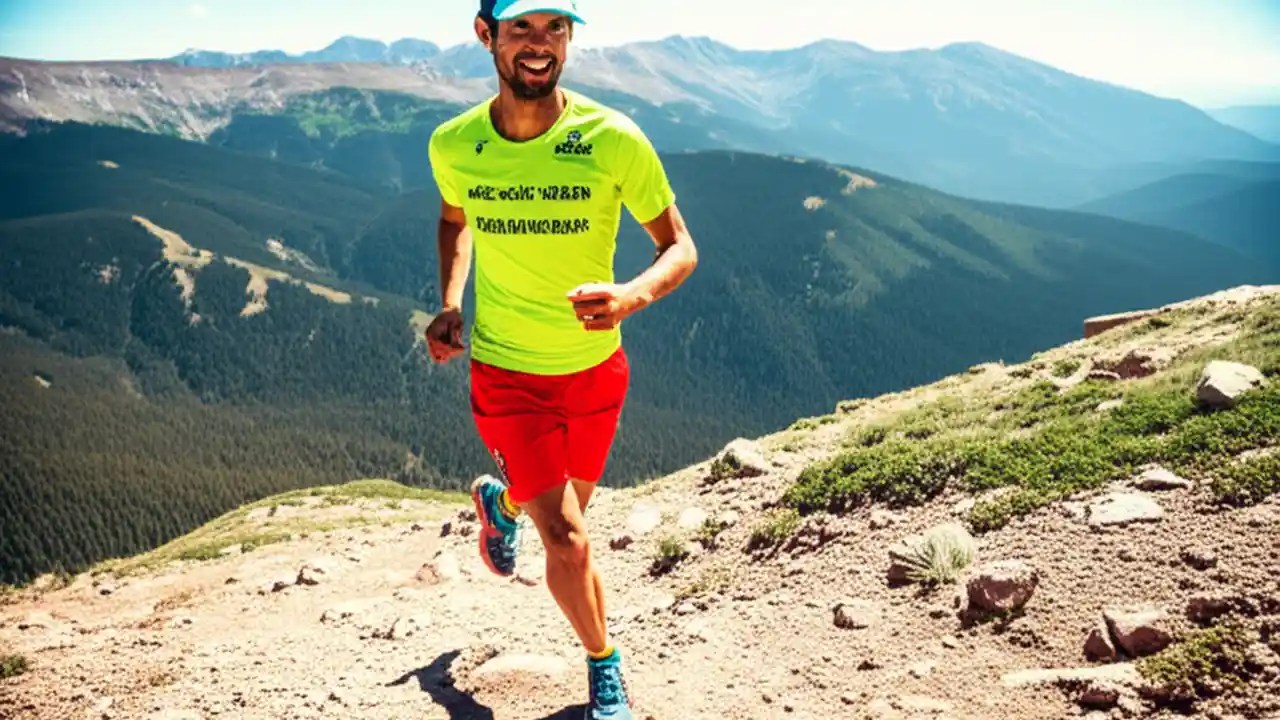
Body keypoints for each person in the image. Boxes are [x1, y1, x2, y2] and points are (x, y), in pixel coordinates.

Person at [423, 1, 699, 716]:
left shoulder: (613, 138)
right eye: (521, 28)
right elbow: (455, 219)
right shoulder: (454, 144)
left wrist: (630, 296)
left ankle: (500, 500)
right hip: (507, 371)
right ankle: (605, 666)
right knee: (569, 539)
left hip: (595, 370)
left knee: (564, 512)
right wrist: (451, 302)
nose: (540, 45)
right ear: (486, 36)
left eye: (556, 28)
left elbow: (680, 247)